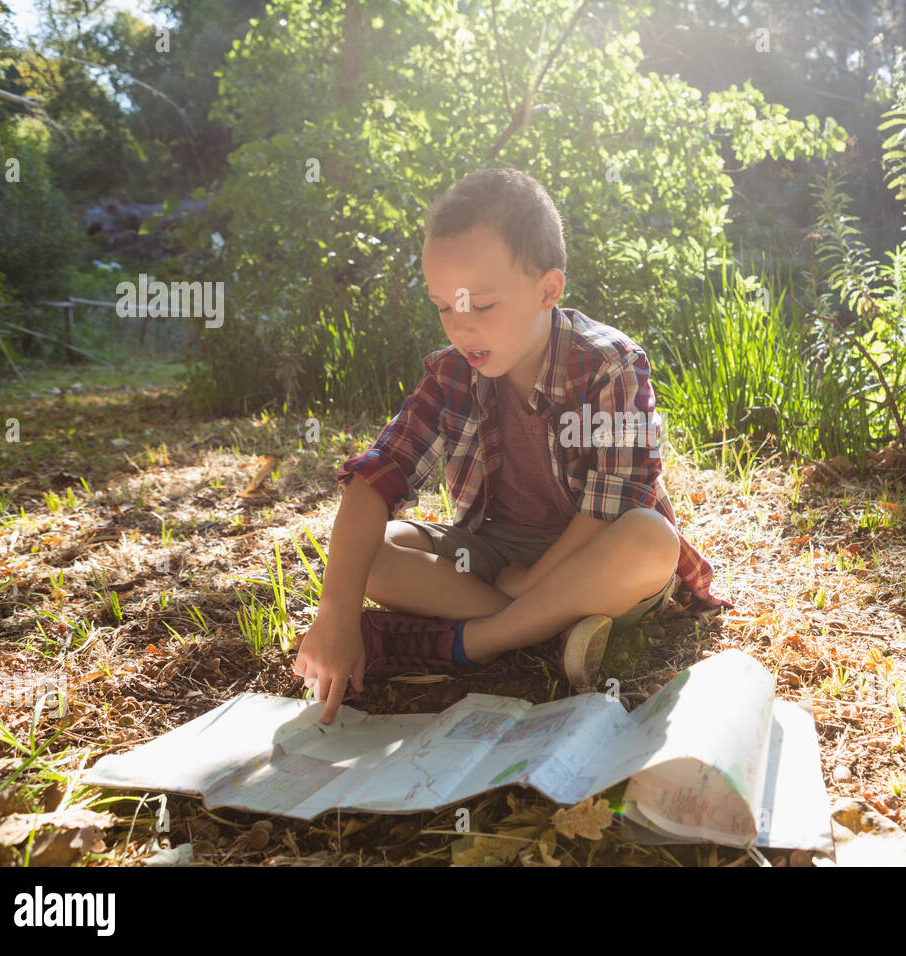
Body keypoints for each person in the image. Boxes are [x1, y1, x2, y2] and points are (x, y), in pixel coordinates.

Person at [294, 167, 728, 724]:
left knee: (651, 538)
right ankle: (549, 636)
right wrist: (336, 615)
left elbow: (614, 503)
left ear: (548, 289)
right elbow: (376, 477)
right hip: (491, 554)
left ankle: (477, 641)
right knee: (370, 551)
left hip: (596, 562)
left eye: (482, 305)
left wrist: (536, 578)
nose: (461, 328)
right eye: (444, 307)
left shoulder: (608, 364)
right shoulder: (450, 375)